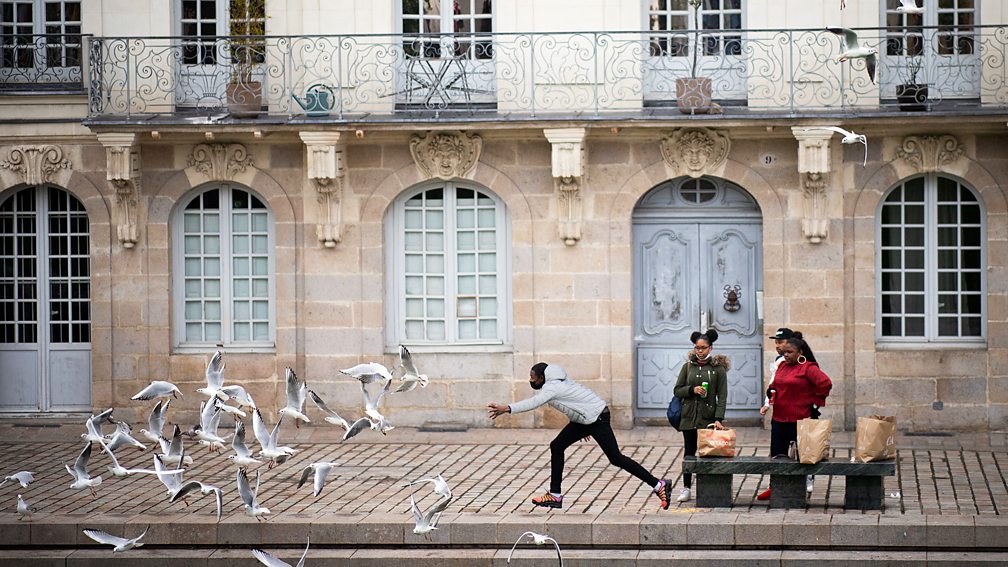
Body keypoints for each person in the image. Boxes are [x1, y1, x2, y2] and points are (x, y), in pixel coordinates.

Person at [487, 363, 672, 510]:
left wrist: (507, 408)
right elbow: (572, 402)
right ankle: (555, 495)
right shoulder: (557, 383)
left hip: (597, 418)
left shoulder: (552, 388)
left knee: (615, 458)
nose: (530, 380)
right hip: (585, 419)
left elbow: (533, 402)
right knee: (557, 446)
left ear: (542, 378)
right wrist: (580, 424)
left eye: (532, 377)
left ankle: (658, 485)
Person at [756, 334, 832, 501]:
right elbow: (774, 384)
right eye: (784, 352)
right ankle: (774, 486)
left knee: (803, 455)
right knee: (777, 455)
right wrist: (771, 393)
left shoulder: (808, 368)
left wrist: (813, 401)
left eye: (790, 352)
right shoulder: (782, 366)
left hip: (799, 419)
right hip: (779, 418)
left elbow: (825, 383)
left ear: (800, 352)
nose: (786, 355)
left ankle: (804, 482)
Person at [671, 329, 729, 503]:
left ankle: (709, 488)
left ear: (710, 348)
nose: (700, 351)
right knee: (689, 452)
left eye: (703, 348)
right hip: (688, 416)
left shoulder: (718, 369)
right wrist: (692, 390)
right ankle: (686, 487)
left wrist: (719, 418)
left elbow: (723, 395)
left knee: (708, 452)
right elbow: (677, 389)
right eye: (697, 348)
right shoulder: (688, 366)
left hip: (708, 417)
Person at [760, 327, 795, 416]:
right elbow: (773, 382)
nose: (777, 346)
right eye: (776, 343)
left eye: (780, 342)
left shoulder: (801, 360)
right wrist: (767, 404)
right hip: (780, 410)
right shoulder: (779, 360)